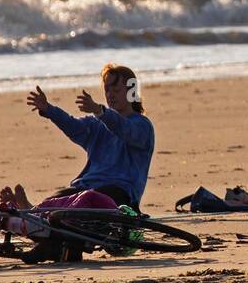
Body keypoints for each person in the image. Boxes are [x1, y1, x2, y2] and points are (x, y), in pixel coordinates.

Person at [14, 63, 154, 211]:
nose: (110, 95)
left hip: (120, 194)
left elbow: (124, 129)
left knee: (87, 199)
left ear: (132, 92)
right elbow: (73, 126)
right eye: (107, 89)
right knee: (58, 198)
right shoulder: (97, 123)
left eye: (116, 90)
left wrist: (100, 111)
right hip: (86, 186)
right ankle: (33, 211)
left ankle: (35, 212)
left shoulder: (142, 125)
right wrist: (48, 109)